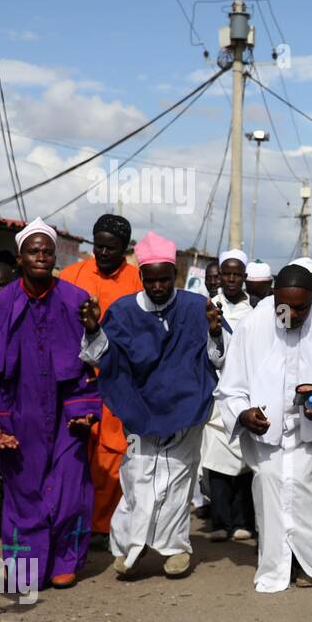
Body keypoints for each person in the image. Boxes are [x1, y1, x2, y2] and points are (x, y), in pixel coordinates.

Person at [80, 231, 227, 579]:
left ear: (174, 274)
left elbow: (218, 359)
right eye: (152, 279)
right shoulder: (123, 310)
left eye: (165, 279)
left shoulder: (196, 306)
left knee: (178, 481)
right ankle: (133, 547)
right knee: (137, 478)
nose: (159, 286)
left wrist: (216, 332)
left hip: (186, 407)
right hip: (140, 408)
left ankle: (175, 549)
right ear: (141, 276)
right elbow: (102, 356)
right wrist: (92, 329)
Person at [0, 218, 100, 591]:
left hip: (69, 411)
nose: (41, 256)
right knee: (25, 492)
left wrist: (85, 408)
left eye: (47, 251)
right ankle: (27, 568)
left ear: (54, 256)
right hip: (18, 410)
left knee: (70, 488)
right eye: (33, 251)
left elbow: (93, 360)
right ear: (20, 259)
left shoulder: (75, 300)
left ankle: (65, 561)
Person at [215, 264, 312, 592]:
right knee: (272, 492)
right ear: (273, 298)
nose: (292, 314)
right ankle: (278, 564)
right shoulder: (254, 325)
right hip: (268, 435)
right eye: (283, 306)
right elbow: (231, 386)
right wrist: (243, 414)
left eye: (301, 308)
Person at [59, 214, 143, 548]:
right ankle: (74, 518)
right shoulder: (71, 276)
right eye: (99, 246)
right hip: (76, 378)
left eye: (112, 248)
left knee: (112, 451)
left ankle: (104, 525)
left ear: (125, 248)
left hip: (118, 378)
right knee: (77, 450)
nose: (104, 253)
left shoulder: (138, 280)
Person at [200, 249, 257, 542]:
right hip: (216, 394)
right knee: (218, 463)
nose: (232, 279)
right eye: (227, 274)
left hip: (245, 395)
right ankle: (220, 522)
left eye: (237, 274)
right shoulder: (208, 307)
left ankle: (243, 521)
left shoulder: (256, 312)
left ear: (244, 278)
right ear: (220, 276)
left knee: (245, 464)